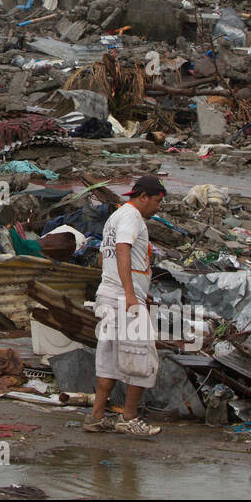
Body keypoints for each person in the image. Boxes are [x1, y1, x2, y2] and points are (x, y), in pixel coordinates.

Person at [85, 175, 167, 437]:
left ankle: (97, 416)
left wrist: (140, 290)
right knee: (141, 358)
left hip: (109, 295)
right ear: (143, 196)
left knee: (108, 357)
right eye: (156, 201)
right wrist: (132, 294)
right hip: (123, 300)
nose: (158, 208)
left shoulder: (116, 216)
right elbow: (122, 249)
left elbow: (102, 257)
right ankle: (129, 417)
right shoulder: (132, 218)